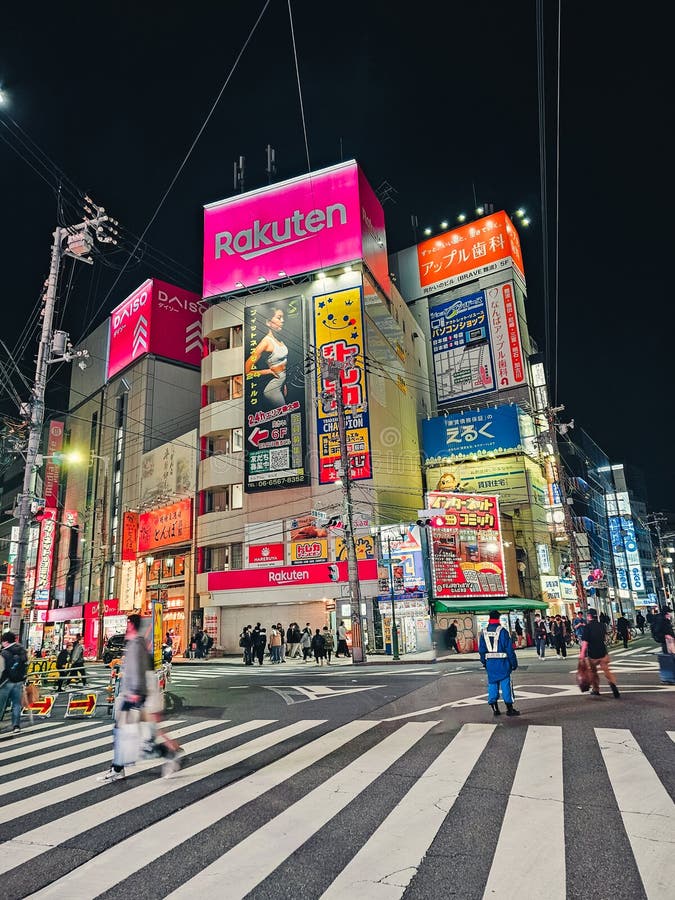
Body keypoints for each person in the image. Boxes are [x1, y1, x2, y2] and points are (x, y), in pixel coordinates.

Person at [100, 614, 150, 782]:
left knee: (120, 731)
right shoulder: (137, 643)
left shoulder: (135, 644)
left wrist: (135, 692)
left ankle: (118, 767)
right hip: (135, 693)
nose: (125, 625)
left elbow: (136, 669)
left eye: (127, 622)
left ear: (131, 624)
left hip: (132, 694)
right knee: (129, 730)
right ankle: (120, 765)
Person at [244, 306, 288, 410]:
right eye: (279, 317)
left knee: (284, 418)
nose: (283, 320)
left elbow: (283, 363)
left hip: (281, 384)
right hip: (272, 390)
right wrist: (268, 371)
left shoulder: (281, 338)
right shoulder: (265, 343)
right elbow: (247, 370)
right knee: (284, 417)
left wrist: (284, 384)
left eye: (283, 318)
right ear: (268, 322)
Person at [478, 610, 520, 716]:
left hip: (490, 664)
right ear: (498, 618)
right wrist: (514, 663)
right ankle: (509, 709)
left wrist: (484, 662)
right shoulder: (503, 631)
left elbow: (482, 650)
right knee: (506, 685)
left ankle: (495, 709)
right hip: (503, 663)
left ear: (489, 618)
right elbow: (509, 650)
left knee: (492, 684)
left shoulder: (484, 632)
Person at [579, 608, 620, 698]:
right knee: (607, 671)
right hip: (603, 652)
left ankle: (596, 689)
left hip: (592, 654)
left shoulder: (587, 627)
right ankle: (614, 687)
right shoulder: (602, 625)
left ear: (589, 616)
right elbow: (605, 638)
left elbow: (585, 642)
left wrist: (582, 653)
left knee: (593, 673)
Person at [0, 631, 28, 733]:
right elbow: (25, 664)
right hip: (19, 681)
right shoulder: (22, 651)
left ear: (6, 642)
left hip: (5, 682)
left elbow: (1, 669)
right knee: (16, 704)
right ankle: (16, 725)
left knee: (1, 705)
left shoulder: (3, 653)